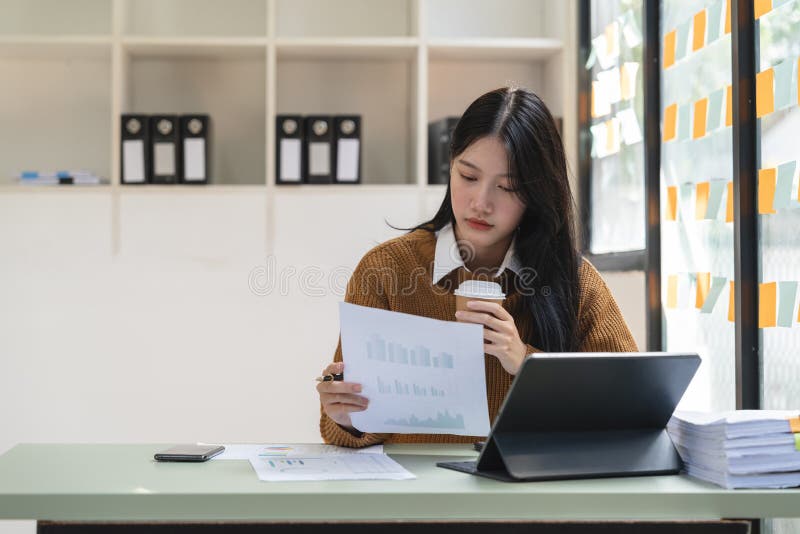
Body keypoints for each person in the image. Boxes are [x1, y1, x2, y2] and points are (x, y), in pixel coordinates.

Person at [317, 87, 638, 448]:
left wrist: (526, 363)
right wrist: (347, 418)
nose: (480, 202)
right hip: (421, 498)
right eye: (468, 177)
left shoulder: (573, 280)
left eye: (507, 187)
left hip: (529, 498)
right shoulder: (386, 271)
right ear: (450, 167)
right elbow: (345, 431)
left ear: (538, 194)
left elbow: (631, 409)